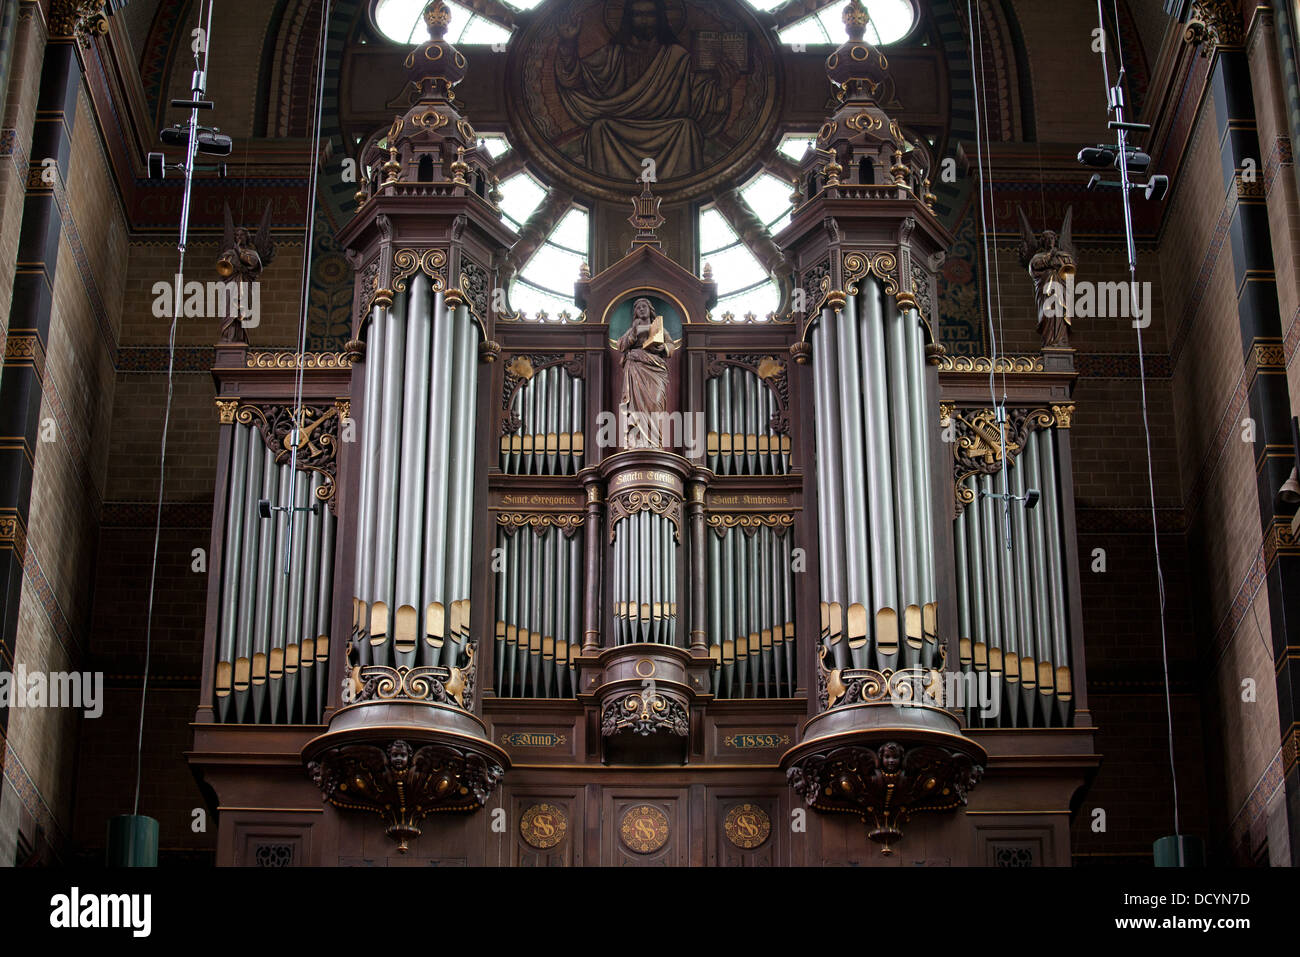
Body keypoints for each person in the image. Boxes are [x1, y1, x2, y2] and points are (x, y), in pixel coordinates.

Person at [556, 0, 738, 181]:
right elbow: (576, 77)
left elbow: (699, 96)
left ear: (659, 18)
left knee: (687, 127)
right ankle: (607, 186)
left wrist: (722, 88)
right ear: (629, 18)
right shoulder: (612, 55)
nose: (644, 20)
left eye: (650, 15)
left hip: (669, 130)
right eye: (638, 14)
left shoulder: (677, 56)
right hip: (618, 128)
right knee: (599, 127)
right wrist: (568, 43)